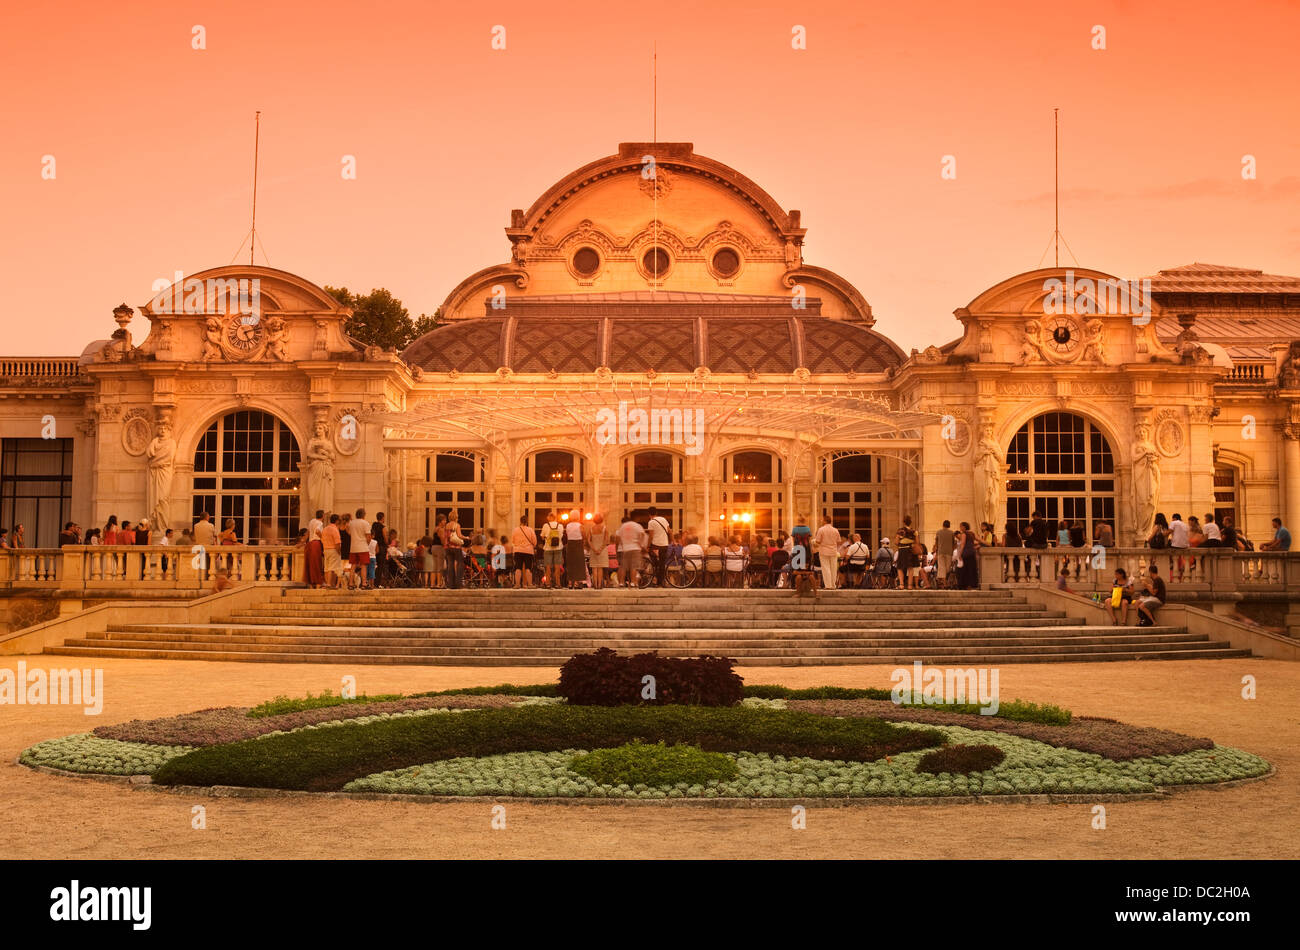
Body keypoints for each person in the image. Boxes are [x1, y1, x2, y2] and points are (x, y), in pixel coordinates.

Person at [617, 512, 646, 588]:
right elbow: (642, 534)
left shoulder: (623, 526)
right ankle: (633, 582)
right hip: (635, 547)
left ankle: (621, 582)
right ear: (636, 518)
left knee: (623, 566)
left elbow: (618, 536)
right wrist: (641, 544)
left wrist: (623, 544)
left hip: (625, 549)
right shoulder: (637, 526)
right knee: (634, 566)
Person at [644, 506, 671, 587]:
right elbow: (670, 531)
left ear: (649, 514)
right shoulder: (663, 519)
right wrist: (673, 541)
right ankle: (661, 582)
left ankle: (655, 576)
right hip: (664, 545)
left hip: (656, 545)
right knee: (662, 564)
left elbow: (651, 536)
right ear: (656, 513)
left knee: (655, 563)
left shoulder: (651, 522)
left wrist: (648, 546)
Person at [348, 508, 372, 588]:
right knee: (363, 565)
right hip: (363, 547)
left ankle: (350, 583)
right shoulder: (365, 523)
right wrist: (367, 543)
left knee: (353, 565)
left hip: (353, 547)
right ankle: (364, 583)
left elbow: (349, 532)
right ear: (363, 515)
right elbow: (368, 536)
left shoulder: (351, 523)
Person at [539, 510, 564, 588]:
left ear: (550, 517)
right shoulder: (560, 526)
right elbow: (561, 536)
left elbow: (542, 537)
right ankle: (558, 583)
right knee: (557, 566)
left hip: (548, 548)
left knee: (548, 566)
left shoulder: (546, 525)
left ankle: (548, 583)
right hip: (558, 547)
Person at [511, 515, 537, 588]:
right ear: (527, 521)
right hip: (528, 551)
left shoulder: (515, 530)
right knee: (528, 568)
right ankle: (530, 584)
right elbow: (534, 542)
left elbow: (512, 540)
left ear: (520, 521)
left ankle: (517, 584)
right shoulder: (530, 530)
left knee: (518, 567)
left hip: (518, 550)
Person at [894, 515, 919, 590]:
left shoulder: (900, 531)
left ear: (903, 522)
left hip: (902, 549)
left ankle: (901, 585)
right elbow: (917, 542)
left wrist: (901, 542)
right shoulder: (914, 531)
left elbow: (896, 542)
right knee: (910, 568)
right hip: (910, 550)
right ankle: (910, 585)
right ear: (910, 522)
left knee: (900, 567)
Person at [585, 513, 608, 590]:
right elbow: (606, 540)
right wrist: (601, 549)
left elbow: (588, 540)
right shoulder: (604, 528)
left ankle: (595, 584)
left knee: (594, 568)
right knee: (600, 568)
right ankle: (599, 585)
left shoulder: (591, 529)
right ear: (601, 520)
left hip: (593, 549)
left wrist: (594, 549)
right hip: (602, 550)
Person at [444, 510, 465, 589]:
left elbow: (445, 536)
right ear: (456, 517)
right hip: (456, 547)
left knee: (450, 565)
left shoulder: (446, 525)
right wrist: (466, 537)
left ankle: (451, 584)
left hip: (448, 548)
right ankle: (458, 583)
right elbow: (459, 535)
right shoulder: (457, 525)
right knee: (460, 564)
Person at [956, 521, 979, 590]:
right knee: (972, 569)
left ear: (964, 527)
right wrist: (987, 544)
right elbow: (978, 540)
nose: (960, 528)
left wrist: (960, 554)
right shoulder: (972, 533)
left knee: (965, 569)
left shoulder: (964, 534)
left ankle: (965, 585)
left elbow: (963, 544)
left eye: (961, 526)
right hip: (972, 552)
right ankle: (973, 584)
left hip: (966, 553)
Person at [322, 514, 342, 589]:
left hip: (325, 549)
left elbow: (322, 539)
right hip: (333, 549)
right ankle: (329, 584)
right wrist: (339, 552)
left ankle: (328, 583)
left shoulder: (325, 529)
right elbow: (337, 542)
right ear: (336, 521)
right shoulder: (335, 529)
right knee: (332, 568)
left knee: (326, 568)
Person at [933, 520, 956, 589]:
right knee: (948, 568)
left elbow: (936, 542)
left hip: (941, 552)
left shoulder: (938, 532)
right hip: (949, 552)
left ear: (943, 524)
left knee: (941, 567)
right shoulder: (951, 533)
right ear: (949, 525)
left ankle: (944, 582)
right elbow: (954, 543)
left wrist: (936, 549)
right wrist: (952, 550)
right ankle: (945, 583)